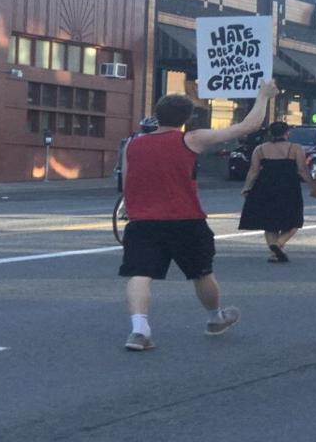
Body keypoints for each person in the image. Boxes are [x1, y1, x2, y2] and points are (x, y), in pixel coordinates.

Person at [117, 80, 279, 352]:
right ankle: (216, 318)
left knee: (140, 274)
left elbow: (125, 183)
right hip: (185, 219)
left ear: (157, 114)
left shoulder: (133, 143)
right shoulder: (191, 139)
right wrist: (263, 96)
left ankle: (140, 329)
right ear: (187, 118)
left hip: (143, 220)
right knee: (201, 273)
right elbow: (247, 126)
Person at [239, 121, 316, 262]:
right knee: (294, 220)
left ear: (270, 133)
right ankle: (278, 244)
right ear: (287, 133)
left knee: (269, 222)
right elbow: (302, 170)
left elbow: (253, 171)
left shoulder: (260, 149)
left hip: (264, 187)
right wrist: (313, 186)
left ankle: (274, 252)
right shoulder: (295, 148)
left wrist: (247, 187)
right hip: (289, 187)